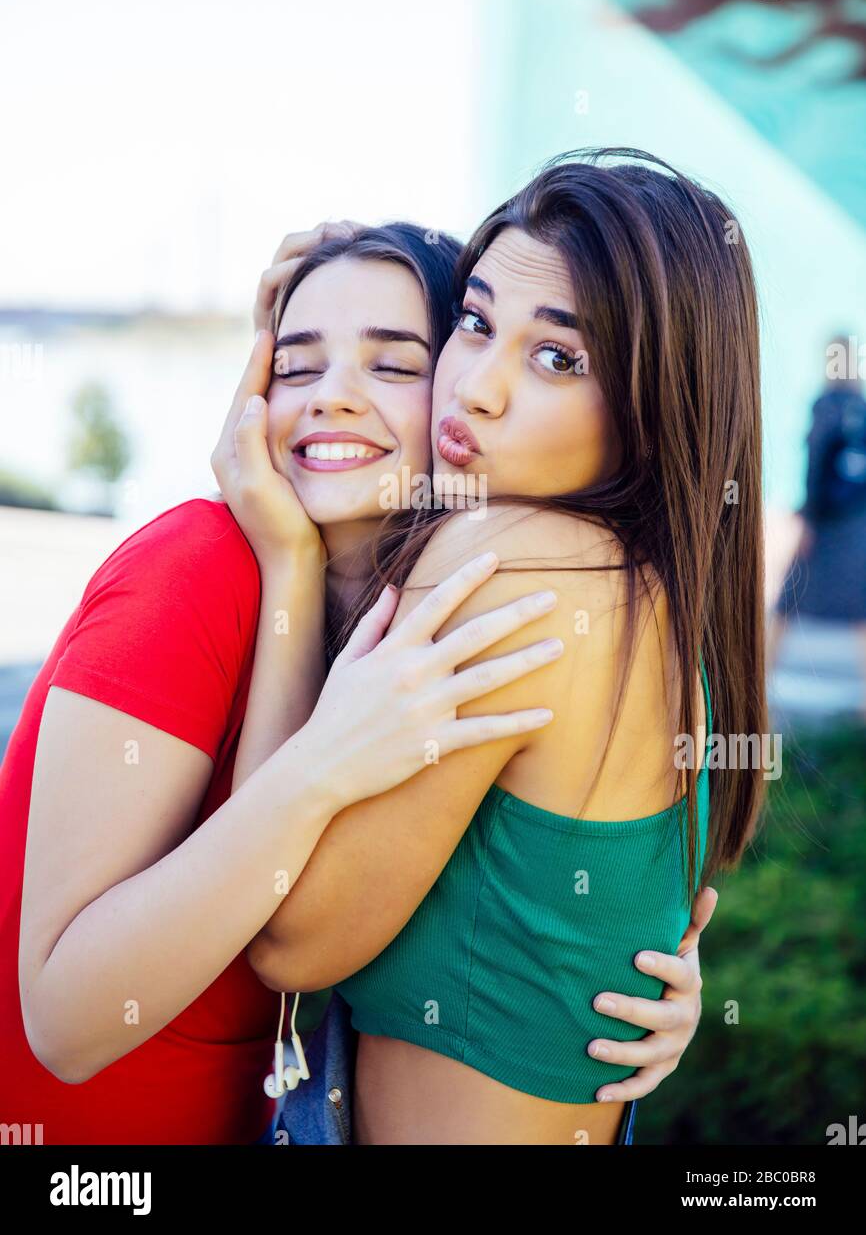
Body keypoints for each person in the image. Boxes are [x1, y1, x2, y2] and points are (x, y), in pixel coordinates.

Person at [0, 220, 706, 1147]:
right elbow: (68, 1021)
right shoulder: (196, 569)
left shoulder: (434, 625)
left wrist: (624, 974)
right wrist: (317, 735)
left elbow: (477, 904)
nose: (331, 398)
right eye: (295, 367)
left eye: (393, 364)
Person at [217, 147, 763, 1145]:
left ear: (658, 401)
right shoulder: (648, 595)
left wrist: (288, 562)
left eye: (559, 357)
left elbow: (284, 934)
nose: (475, 386)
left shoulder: (509, 561)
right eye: (471, 322)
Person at [767, 334, 866, 717]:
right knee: (860, 611)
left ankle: (758, 682)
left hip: (826, 527)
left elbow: (814, 466)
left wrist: (806, 519)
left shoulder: (826, 404)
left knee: (787, 602)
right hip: (858, 528)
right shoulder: (860, 406)